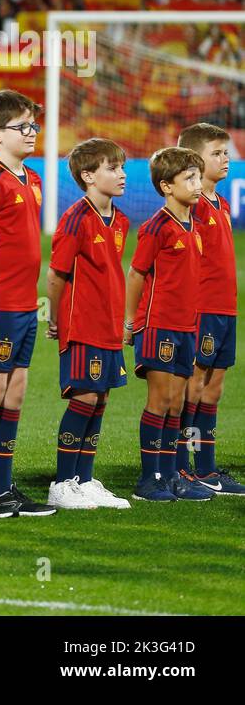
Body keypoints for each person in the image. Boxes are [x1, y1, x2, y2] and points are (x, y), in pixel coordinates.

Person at [0, 91, 55, 516]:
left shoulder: (31, 179)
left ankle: (2, 488)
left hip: (25, 305)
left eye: (34, 125)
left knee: (14, 394)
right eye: (24, 127)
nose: (32, 132)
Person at [44, 138, 132, 510]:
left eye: (122, 167)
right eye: (113, 168)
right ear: (88, 176)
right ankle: (62, 483)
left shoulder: (122, 220)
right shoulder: (76, 218)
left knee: (102, 398)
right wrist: (53, 315)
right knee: (85, 397)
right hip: (82, 324)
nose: (123, 174)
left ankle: (84, 479)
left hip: (109, 325)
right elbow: (57, 273)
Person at [125, 147, 212, 503]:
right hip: (158, 325)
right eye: (188, 178)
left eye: (197, 176)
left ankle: (172, 474)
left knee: (178, 403)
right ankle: (150, 479)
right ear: (166, 186)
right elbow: (136, 272)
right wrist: (130, 321)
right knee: (160, 400)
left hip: (185, 327)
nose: (196, 183)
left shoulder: (195, 226)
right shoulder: (156, 227)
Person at [176, 123, 243, 494]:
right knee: (193, 387)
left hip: (225, 310)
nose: (225, 158)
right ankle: (181, 466)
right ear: (195, 159)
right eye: (216, 152)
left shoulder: (222, 202)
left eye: (226, 152)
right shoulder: (194, 204)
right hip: (201, 308)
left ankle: (206, 468)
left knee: (213, 390)